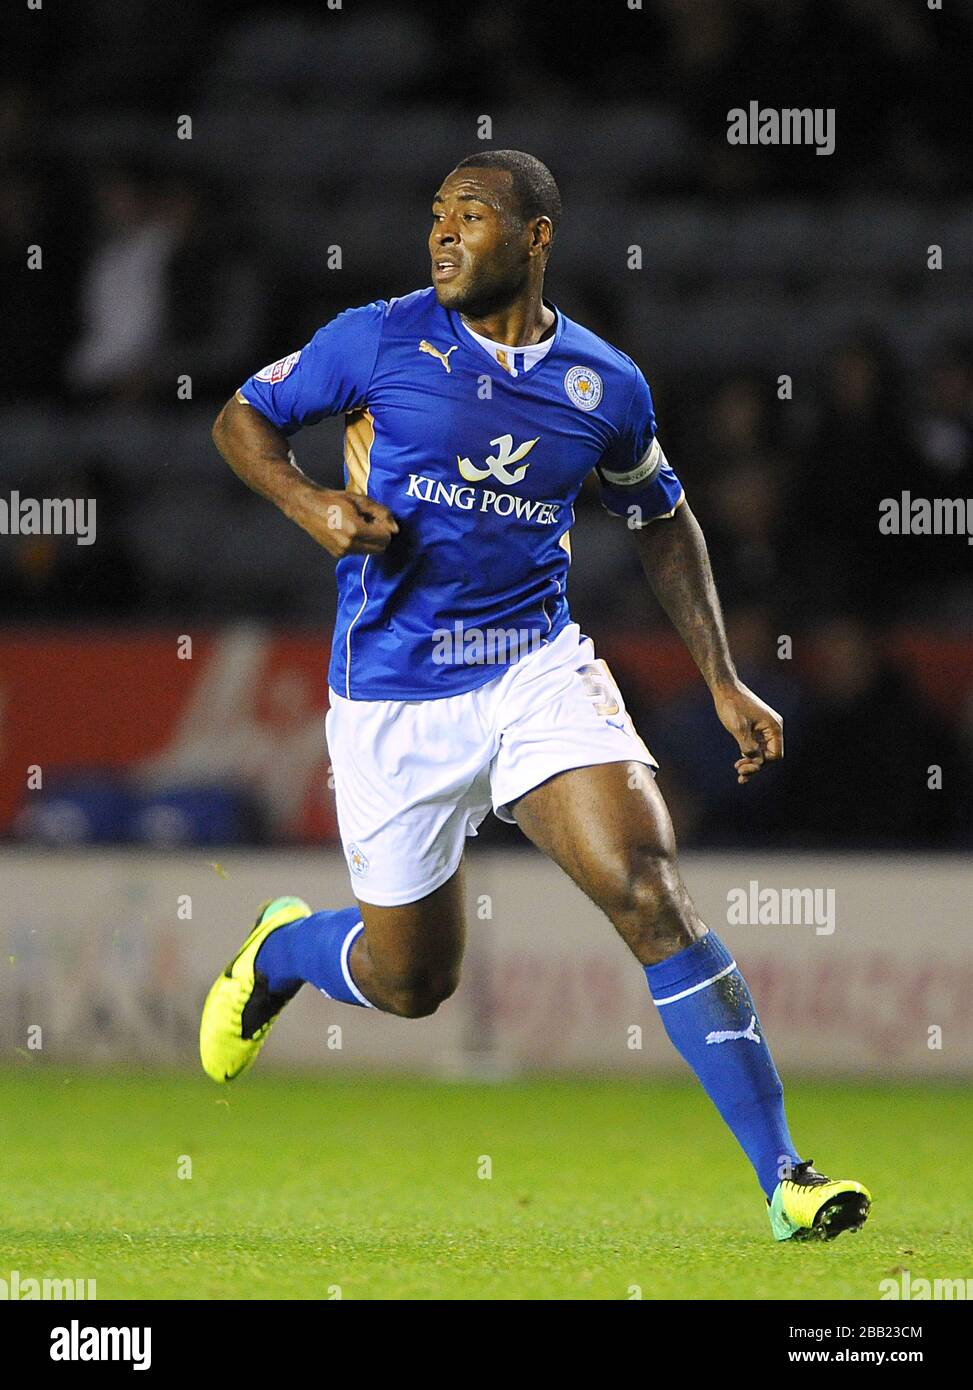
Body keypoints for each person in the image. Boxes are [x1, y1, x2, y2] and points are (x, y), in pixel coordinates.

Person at [200, 151, 869, 1242]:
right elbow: (240, 417)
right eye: (436, 216)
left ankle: (785, 1178)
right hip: (393, 697)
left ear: (535, 236)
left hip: (533, 668)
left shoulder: (605, 384)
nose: (445, 233)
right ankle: (281, 949)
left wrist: (719, 676)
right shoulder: (377, 337)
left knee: (646, 885)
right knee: (413, 982)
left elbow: (661, 518)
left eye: (472, 214)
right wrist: (312, 504)